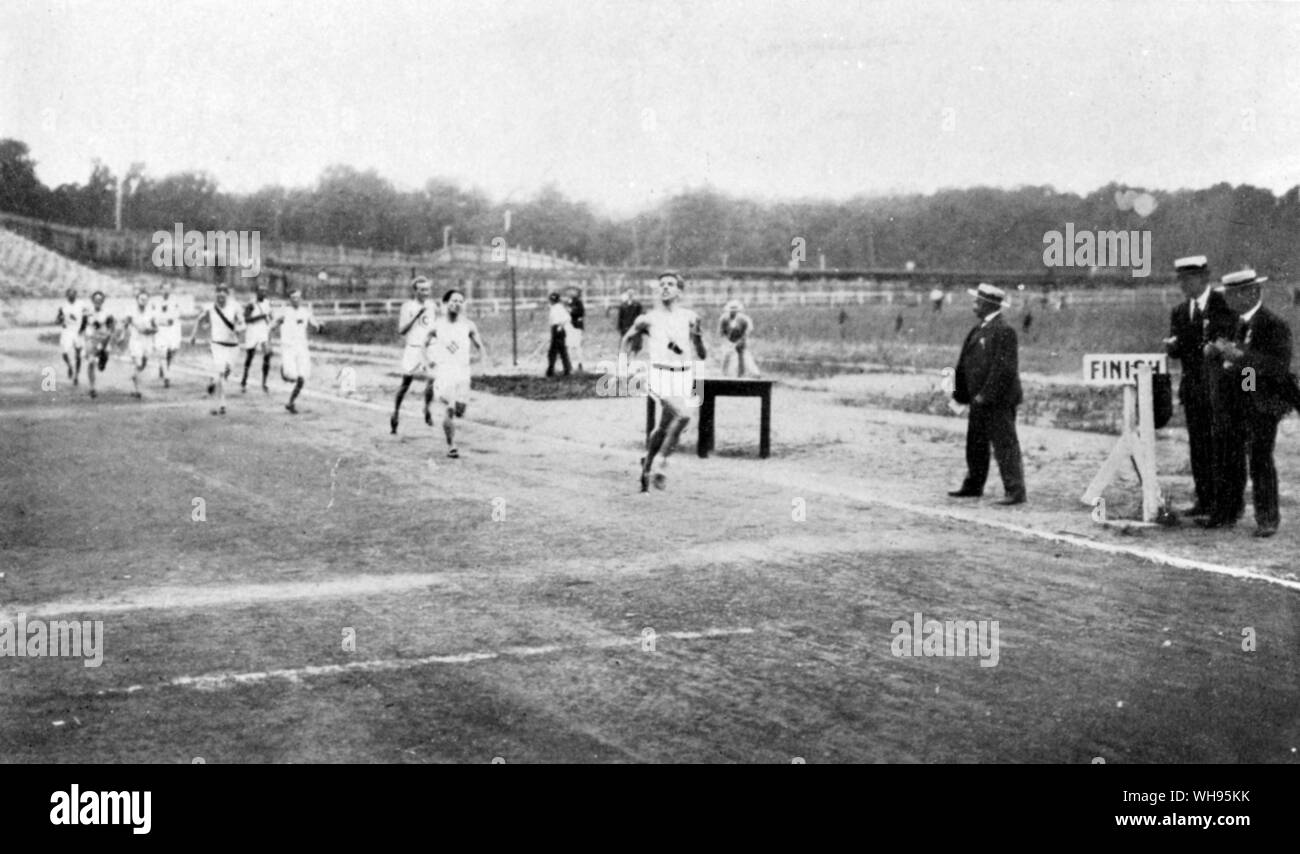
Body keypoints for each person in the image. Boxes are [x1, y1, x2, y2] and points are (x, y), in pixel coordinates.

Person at [1199, 269, 1295, 537]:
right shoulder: (1232, 323)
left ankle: (1267, 518)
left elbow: (1277, 367)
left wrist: (1241, 356)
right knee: (1228, 458)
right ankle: (1227, 512)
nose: (1228, 300)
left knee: (1260, 460)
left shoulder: (1274, 325)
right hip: (1233, 404)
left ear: (1251, 293)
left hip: (1262, 405)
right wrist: (1214, 352)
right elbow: (1230, 364)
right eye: (1227, 294)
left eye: (1232, 294)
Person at [622, 271, 706, 492]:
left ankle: (646, 466)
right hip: (659, 375)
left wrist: (698, 337)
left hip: (683, 375)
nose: (666, 288)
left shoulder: (690, 316)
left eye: (670, 284)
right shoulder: (647, 319)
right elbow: (627, 339)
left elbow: (702, 353)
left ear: (679, 290)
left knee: (663, 427)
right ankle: (662, 464)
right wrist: (626, 366)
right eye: (662, 285)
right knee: (685, 415)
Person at [1162, 255, 1233, 516]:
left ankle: (1222, 506)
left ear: (1203, 278)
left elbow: (1229, 344)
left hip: (1220, 390)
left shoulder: (1223, 305)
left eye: (1188, 279)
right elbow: (1181, 349)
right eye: (1181, 280)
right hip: (1193, 389)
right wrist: (1172, 347)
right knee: (1199, 448)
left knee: (1220, 448)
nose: (1183, 285)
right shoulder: (1180, 311)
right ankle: (1204, 501)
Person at [948, 283, 1026, 505]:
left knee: (1005, 445)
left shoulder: (1004, 331)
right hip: (978, 400)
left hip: (998, 401)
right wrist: (960, 395)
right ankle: (973, 485)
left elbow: (1004, 370)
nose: (974, 305)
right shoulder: (978, 329)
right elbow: (963, 364)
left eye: (977, 301)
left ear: (986, 304)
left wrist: (986, 395)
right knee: (976, 444)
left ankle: (1015, 490)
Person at [423, 289, 486, 458]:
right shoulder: (437, 325)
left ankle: (456, 411)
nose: (457, 304)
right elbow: (424, 344)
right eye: (453, 300)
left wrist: (481, 363)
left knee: (460, 409)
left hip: (463, 371)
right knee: (449, 409)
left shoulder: (469, 325)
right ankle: (451, 445)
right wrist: (427, 361)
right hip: (444, 371)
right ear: (445, 303)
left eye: (460, 301)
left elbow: (480, 347)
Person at [189, 284, 245, 415]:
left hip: (233, 345)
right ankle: (222, 403)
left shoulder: (235, 307)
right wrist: (193, 335)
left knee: (226, 373)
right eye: (218, 293)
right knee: (221, 372)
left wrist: (239, 328)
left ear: (227, 294)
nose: (220, 295)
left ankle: (213, 382)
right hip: (217, 344)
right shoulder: (210, 308)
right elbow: (200, 320)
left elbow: (242, 323)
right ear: (215, 294)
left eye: (223, 293)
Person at [390, 277, 437, 434]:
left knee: (432, 380)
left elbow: (433, 326)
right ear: (415, 291)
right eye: (422, 290)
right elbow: (402, 330)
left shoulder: (432, 305)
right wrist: (416, 315)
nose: (425, 292)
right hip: (413, 348)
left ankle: (427, 408)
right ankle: (395, 412)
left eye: (427, 289)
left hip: (429, 348)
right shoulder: (408, 306)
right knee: (406, 384)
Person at [269, 288, 324, 414]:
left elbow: (314, 323)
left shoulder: (305, 312)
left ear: (301, 299)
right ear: (290, 299)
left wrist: (319, 327)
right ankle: (284, 370)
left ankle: (291, 402)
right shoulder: (284, 312)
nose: (296, 300)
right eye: (293, 297)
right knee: (291, 376)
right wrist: (268, 339)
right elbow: (273, 325)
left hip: (301, 347)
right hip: (288, 347)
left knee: (302, 377)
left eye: (298, 297)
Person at [119, 289, 157, 399]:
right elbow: (125, 324)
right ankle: (137, 390)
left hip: (147, 341)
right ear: (137, 300)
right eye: (141, 299)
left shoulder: (151, 313)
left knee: (144, 364)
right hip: (135, 341)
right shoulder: (131, 311)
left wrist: (149, 330)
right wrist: (122, 336)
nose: (143, 301)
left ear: (148, 301)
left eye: (145, 299)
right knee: (138, 364)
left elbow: (156, 328)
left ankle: (134, 376)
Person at [240, 282, 274, 394]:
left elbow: (271, 316)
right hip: (252, 332)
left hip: (263, 332)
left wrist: (270, 319)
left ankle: (264, 383)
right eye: (261, 291)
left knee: (267, 355)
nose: (263, 293)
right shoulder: (251, 304)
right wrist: (260, 316)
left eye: (265, 291)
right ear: (257, 292)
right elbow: (246, 319)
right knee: (250, 356)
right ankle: (244, 380)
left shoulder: (268, 303)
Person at [83, 290, 115, 400]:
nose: (98, 301)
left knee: (103, 359)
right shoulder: (87, 312)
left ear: (102, 301)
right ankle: (92, 388)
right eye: (95, 299)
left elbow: (112, 328)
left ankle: (103, 359)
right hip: (91, 339)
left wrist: (107, 340)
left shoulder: (107, 313)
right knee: (91, 362)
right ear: (92, 300)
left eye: (100, 300)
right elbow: (82, 325)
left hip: (103, 339)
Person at [55, 288, 89, 386]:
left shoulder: (81, 304)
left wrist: (82, 330)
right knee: (65, 353)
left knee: (78, 354)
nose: (71, 296)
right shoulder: (63, 306)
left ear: (76, 295)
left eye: (73, 294)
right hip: (67, 331)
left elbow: (85, 318)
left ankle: (76, 376)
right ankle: (69, 366)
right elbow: (58, 319)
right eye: (69, 294)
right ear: (66, 296)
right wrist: (59, 320)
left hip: (78, 330)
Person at [151, 280, 183, 388]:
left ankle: (164, 368)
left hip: (172, 330)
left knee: (171, 352)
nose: (166, 291)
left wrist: (172, 318)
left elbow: (178, 314)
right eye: (164, 288)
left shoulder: (175, 301)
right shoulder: (155, 301)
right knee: (162, 352)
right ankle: (167, 376)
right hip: (161, 330)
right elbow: (152, 315)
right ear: (160, 289)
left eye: (168, 288)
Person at [718, 300, 757, 377]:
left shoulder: (744, 319)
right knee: (726, 356)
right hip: (729, 341)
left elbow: (747, 332)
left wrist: (741, 341)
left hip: (740, 340)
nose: (733, 312)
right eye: (731, 310)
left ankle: (741, 375)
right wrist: (727, 342)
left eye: (735, 310)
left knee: (742, 357)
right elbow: (721, 332)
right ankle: (723, 374)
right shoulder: (724, 318)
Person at [545, 291, 572, 377]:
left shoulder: (558, 307)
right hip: (556, 330)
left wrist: (560, 326)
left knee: (554, 352)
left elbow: (567, 317)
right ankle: (566, 369)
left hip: (558, 330)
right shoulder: (555, 308)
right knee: (561, 351)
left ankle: (551, 370)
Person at [566, 289, 586, 372]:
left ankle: (580, 363)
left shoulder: (578, 302)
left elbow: (581, 313)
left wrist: (571, 311)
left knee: (577, 346)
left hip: (576, 327)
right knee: (570, 346)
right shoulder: (569, 302)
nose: (571, 293)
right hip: (570, 326)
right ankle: (569, 363)